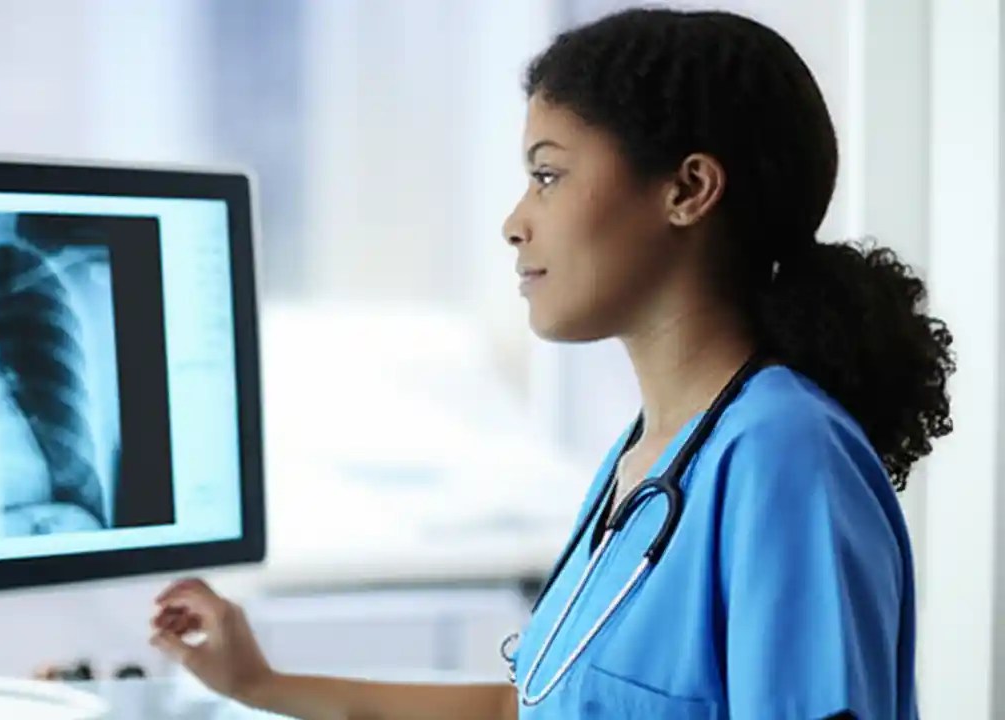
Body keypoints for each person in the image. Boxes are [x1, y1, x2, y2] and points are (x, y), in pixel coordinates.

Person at [148, 7, 954, 719]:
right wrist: (258, 683)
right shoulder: (646, 458)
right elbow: (525, 709)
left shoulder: (783, 455)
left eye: (548, 174)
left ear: (688, 189)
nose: (514, 221)